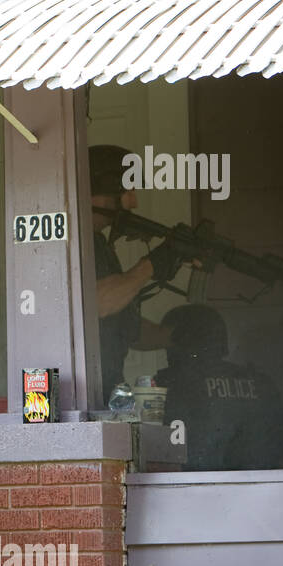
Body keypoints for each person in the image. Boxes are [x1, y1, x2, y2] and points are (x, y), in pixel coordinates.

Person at [89, 145, 181, 404]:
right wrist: (152, 264)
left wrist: (177, 337)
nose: (134, 202)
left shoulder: (99, 245)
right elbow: (99, 303)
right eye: (126, 191)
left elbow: (126, 330)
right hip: (81, 396)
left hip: (107, 390)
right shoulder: (78, 243)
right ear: (99, 191)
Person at [156, 304, 283, 471]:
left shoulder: (171, 383)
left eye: (169, 345)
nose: (167, 353)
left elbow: (160, 453)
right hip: (268, 488)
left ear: (183, 343)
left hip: (194, 490)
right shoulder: (261, 383)